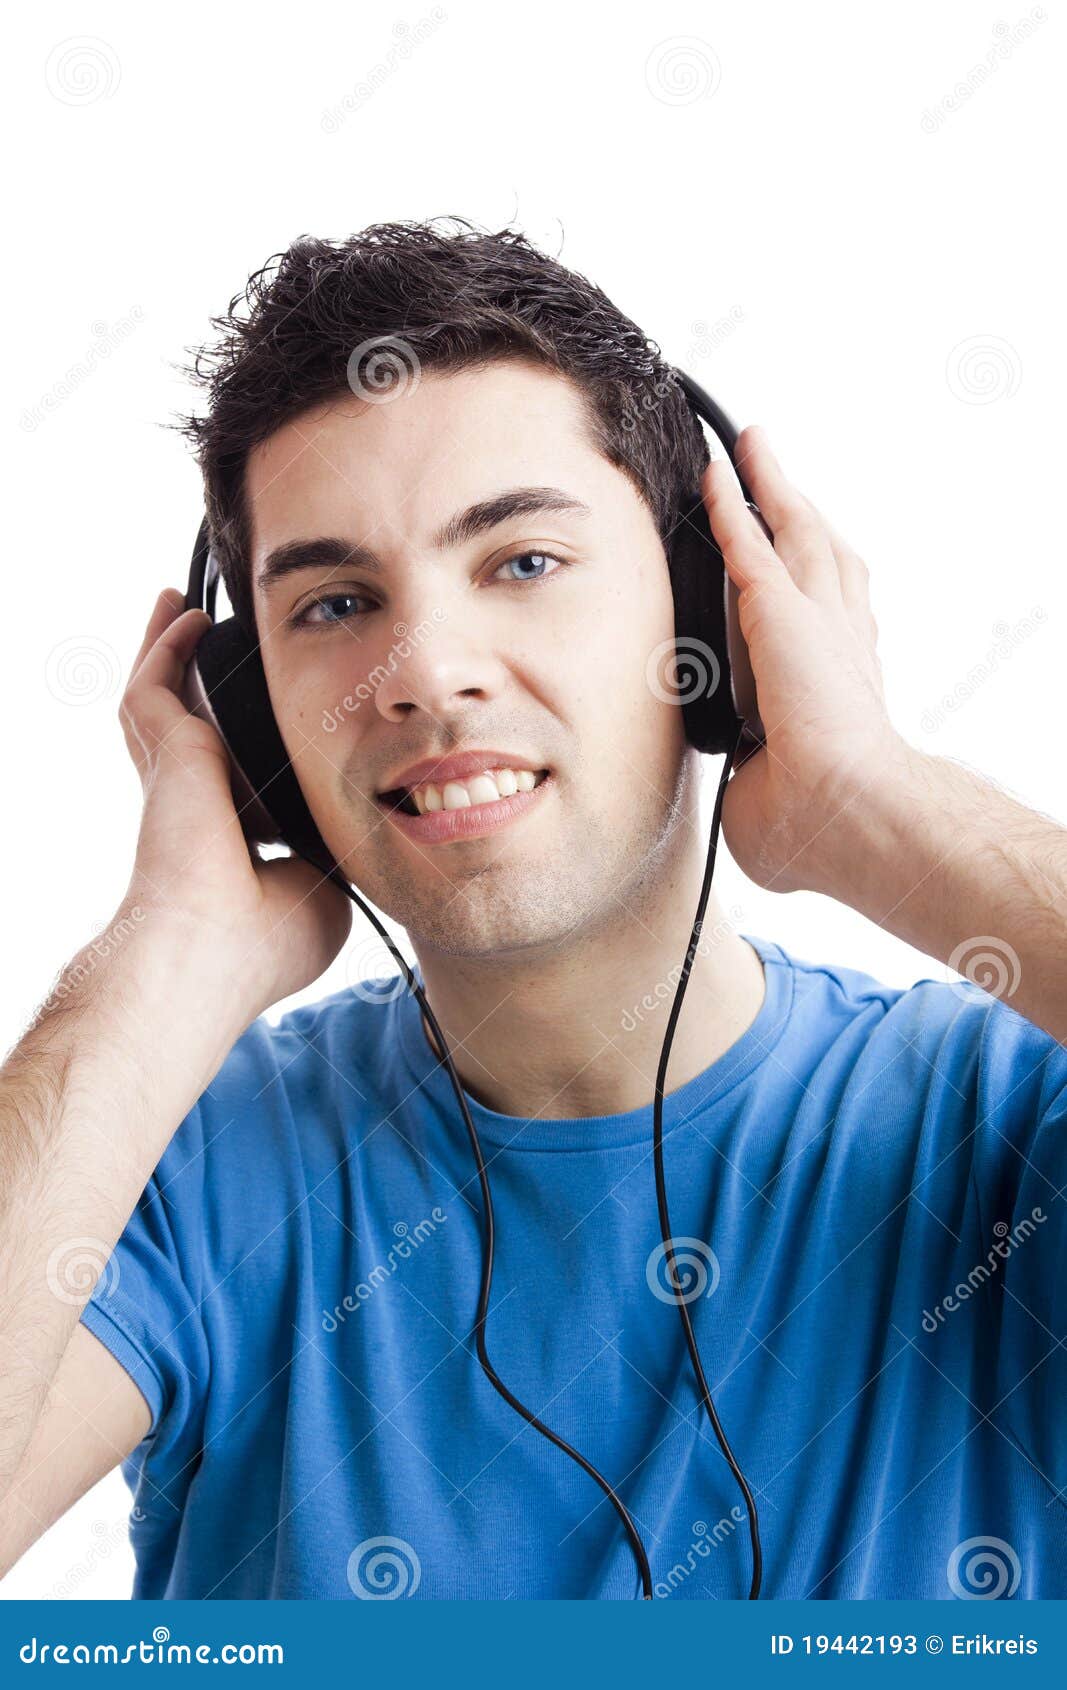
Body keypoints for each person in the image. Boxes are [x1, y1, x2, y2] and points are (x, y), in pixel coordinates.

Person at [1, 219, 1065, 1602]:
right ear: (251, 717)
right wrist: (170, 956)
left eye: (520, 563)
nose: (425, 671)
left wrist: (879, 807)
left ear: (713, 612)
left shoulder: (1001, 1131)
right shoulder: (178, 1166)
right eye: (333, 601)